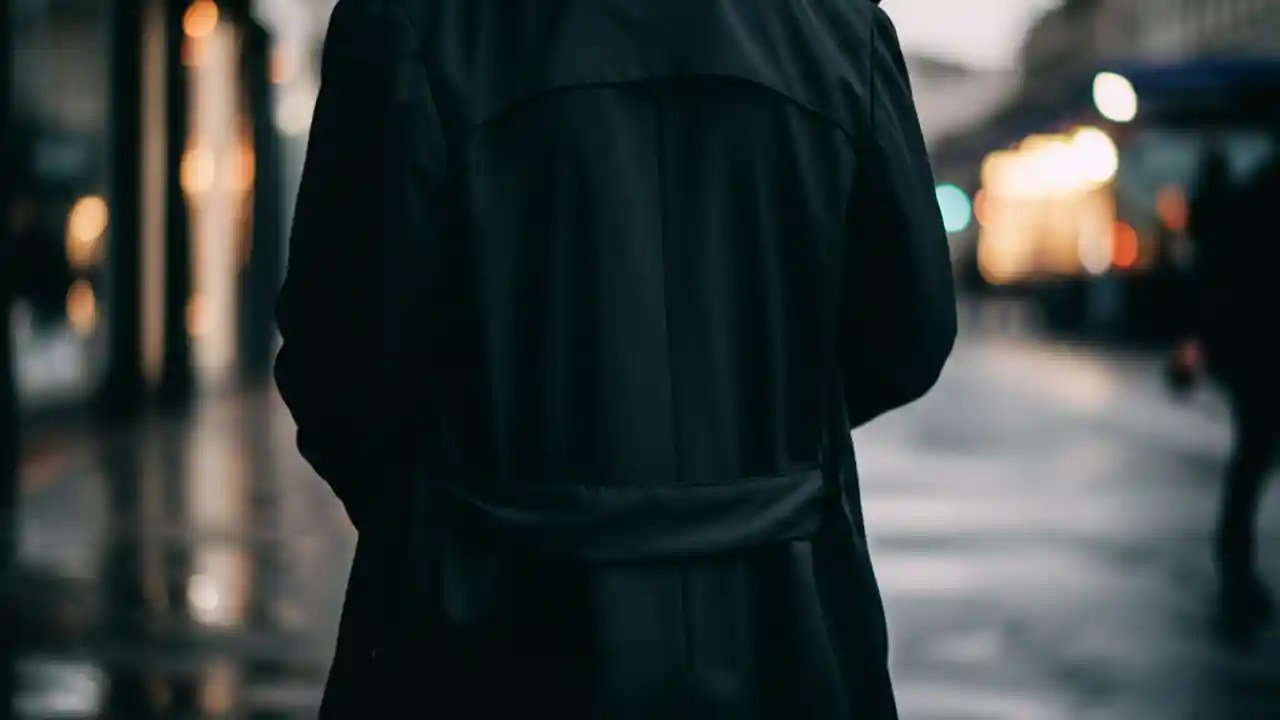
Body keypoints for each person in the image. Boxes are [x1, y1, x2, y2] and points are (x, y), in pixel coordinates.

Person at [274, 0, 956, 716]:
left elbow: (338, 362)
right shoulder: (837, 30)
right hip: (783, 618)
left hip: (486, 618)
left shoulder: (411, 22)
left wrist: (453, 506)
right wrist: (765, 437)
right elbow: (908, 335)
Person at [1183, 142, 1280, 642]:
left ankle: (1235, 563)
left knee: (1251, 458)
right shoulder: (1259, 206)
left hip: (1251, 353)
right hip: (1262, 350)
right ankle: (1236, 566)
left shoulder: (1243, 203)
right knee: (1253, 457)